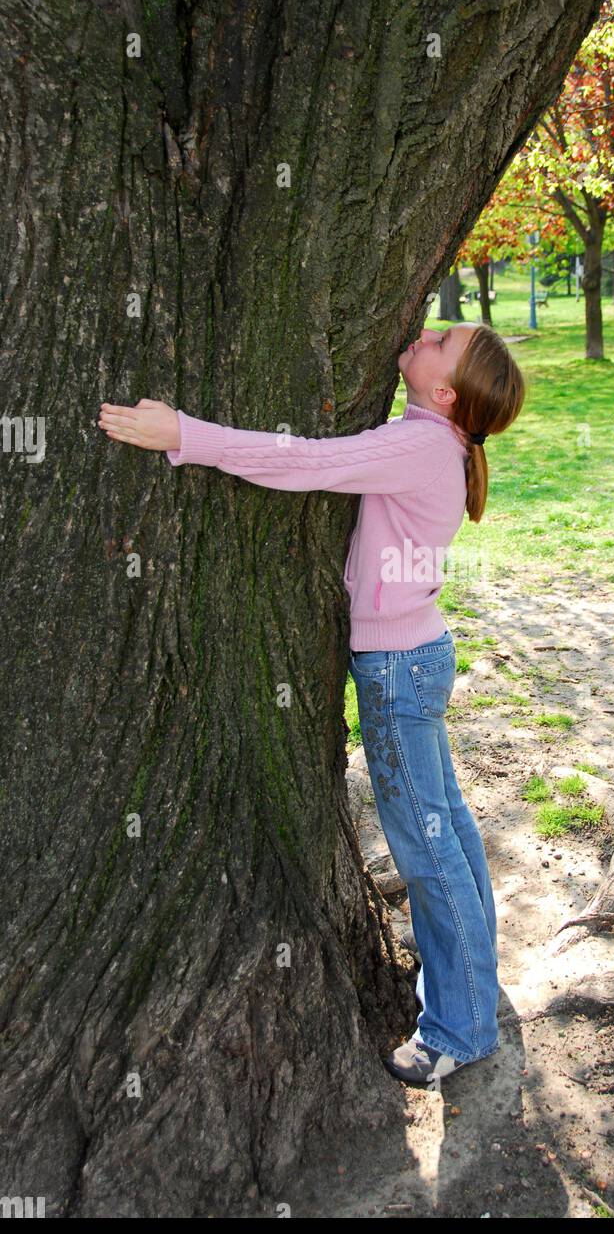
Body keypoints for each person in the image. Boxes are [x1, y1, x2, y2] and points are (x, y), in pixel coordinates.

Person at [98, 323, 526, 1090]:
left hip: (400, 671)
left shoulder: (421, 446)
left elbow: (305, 462)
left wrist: (184, 434)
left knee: (431, 850)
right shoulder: (432, 440)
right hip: (415, 658)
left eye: (441, 340)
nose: (425, 332)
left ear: (445, 392)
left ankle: (460, 1027)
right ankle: (475, 992)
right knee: (448, 833)